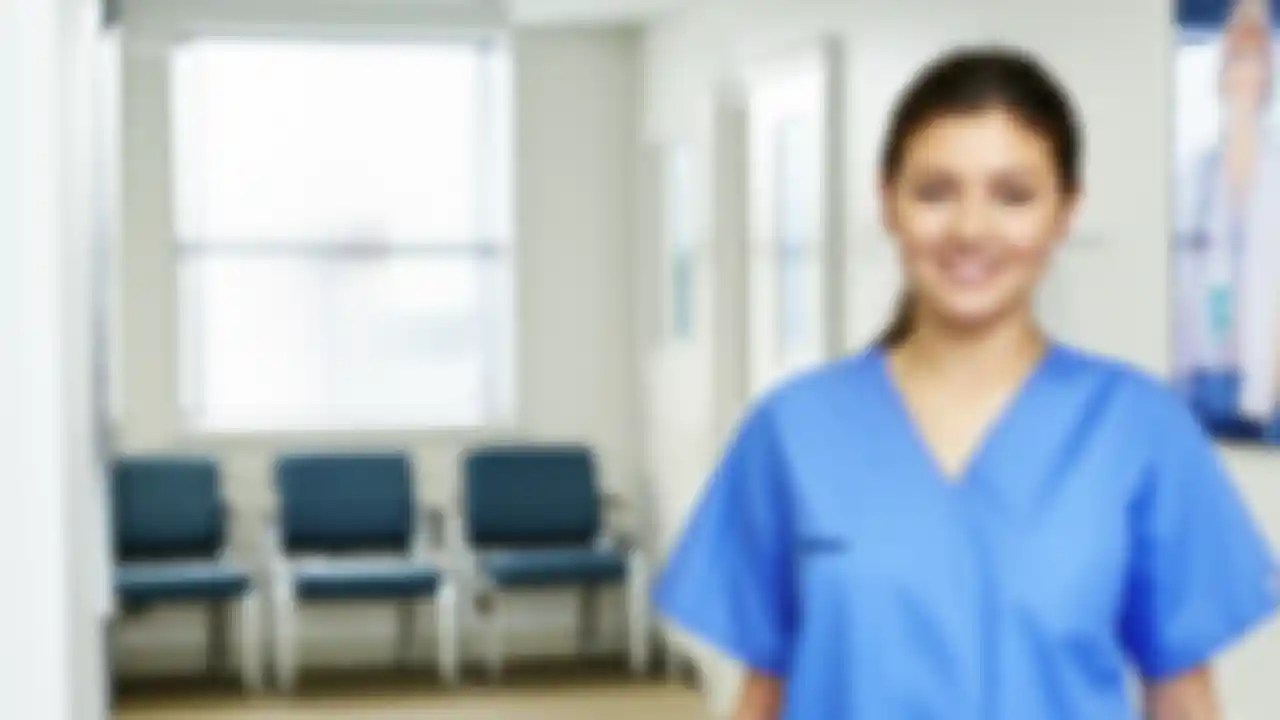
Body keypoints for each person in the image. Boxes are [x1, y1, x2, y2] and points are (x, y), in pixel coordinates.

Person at [653, 47, 1279, 719]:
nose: (971, 230)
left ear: (1066, 210)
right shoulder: (793, 433)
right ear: (887, 201)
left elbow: (1184, 700)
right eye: (935, 192)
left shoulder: (1140, 433)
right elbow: (763, 696)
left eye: (1013, 196)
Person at [1176, 0, 1280, 440]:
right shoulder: (1195, 175)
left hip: (1266, 384)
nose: (1241, 67)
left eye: (1253, 54)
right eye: (1233, 54)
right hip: (1202, 378)